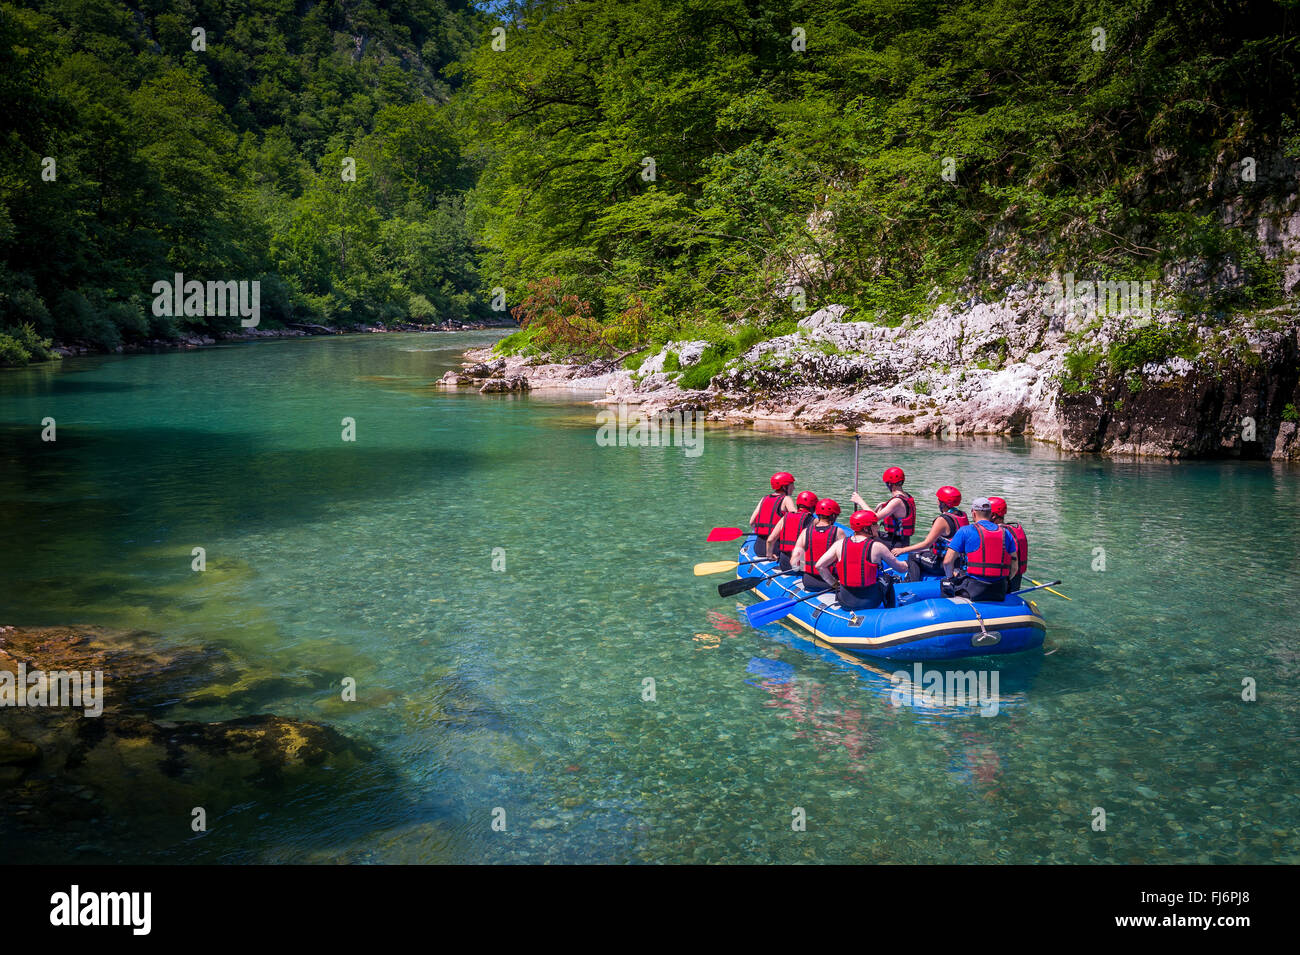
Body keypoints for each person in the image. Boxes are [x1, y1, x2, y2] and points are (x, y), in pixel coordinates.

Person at [815, 509, 908, 611]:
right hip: (870, 602)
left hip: (845, 601)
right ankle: (890, 611)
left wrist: (835, 584)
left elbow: (819, 566)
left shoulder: (839, 544)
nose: (877, 526)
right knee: (888, 579)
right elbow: (901, 569)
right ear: (866, 528)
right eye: (874, 524)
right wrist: (909, 563)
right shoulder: (878, 546)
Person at [942, 497, 1018, 602]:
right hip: (999, 589)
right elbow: (1014, 567)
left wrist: (950, 579)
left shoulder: (965, 531)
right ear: (991, 513)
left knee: (946, 583)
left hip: (973, 589)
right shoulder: (1006, 533)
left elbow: (947, 562)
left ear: (973, 513)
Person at [893, 485, 969, 581]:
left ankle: (911, 585)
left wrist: (902, 550)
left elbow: (926, 544)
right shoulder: (962, 515)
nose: (937, 502)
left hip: (945, 564)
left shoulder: (942, 520)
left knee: (913, 557)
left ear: (943, 503)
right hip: (959, 562)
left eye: (939, 500)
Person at [852, 466, 915, 549]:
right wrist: (882, 504)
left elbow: (873, 518)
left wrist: (860, 501)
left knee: (862, 535)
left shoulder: (897, 501)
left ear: (889, 484)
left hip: (896, 544)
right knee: (872, 531)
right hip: (901, 540)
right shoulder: (906, 496)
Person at [790, 498, 844, 591]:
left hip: (808, 581)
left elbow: (794, 561)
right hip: (830, 582)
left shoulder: (805, 532)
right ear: (833, 516)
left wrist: (804, 568)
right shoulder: (838, 532)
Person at [767, 490, 818, 571]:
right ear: (814, 507)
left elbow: (770, 540)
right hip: (802, 566)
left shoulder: (785, 518)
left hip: (784, 564)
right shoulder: (815, 522)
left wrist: (769, 556)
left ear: (797, 505)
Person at [749, 472, 796, 558]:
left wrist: (761, 531)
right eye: (791, 485)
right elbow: (797, 519)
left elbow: (752, 522)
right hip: (775, 549)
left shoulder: (764, 498)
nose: (794, 488)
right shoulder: (786, 499)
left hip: (759, 548)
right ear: (784, 487)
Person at [988, 496, 1029, 593]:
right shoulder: (1013, 529)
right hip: (1016, 578)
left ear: (993, 515)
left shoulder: (998, 533)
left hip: (1003, 581)